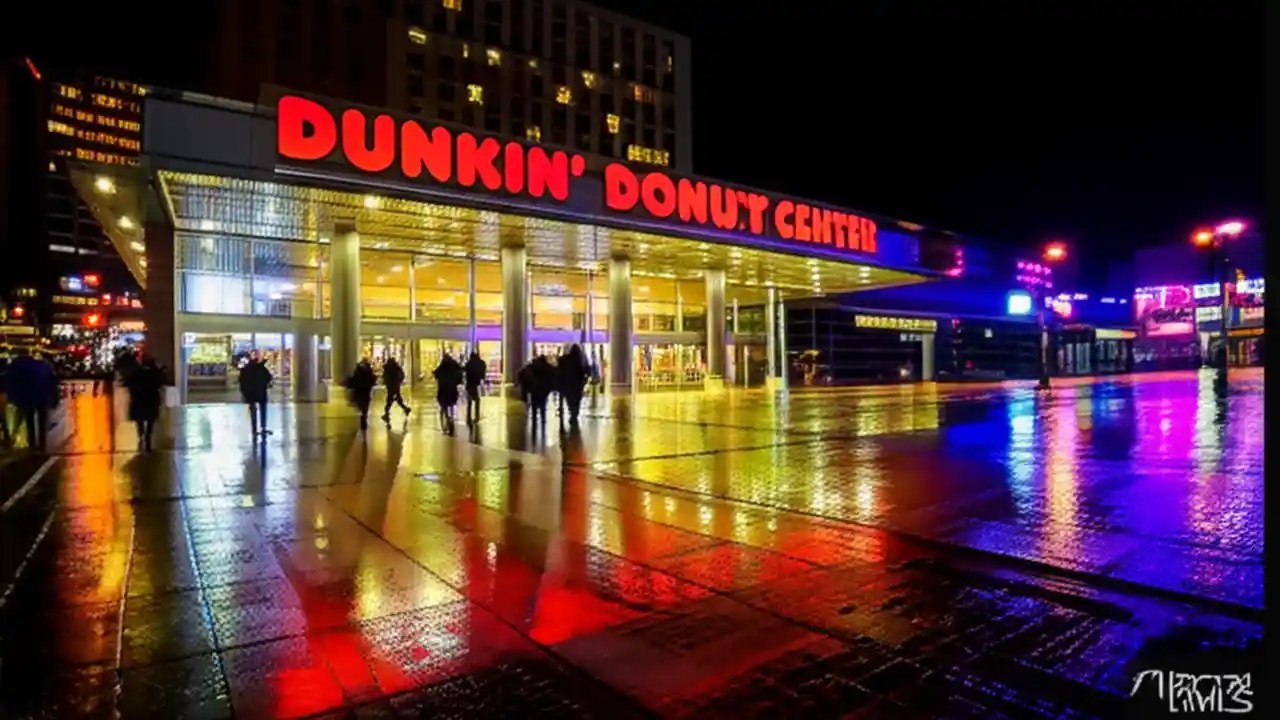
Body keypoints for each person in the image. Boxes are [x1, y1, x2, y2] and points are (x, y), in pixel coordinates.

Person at [6, 348, 58, 451]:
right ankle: (42, 444)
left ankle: (32, 443)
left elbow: (12, 381)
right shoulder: (42, 365)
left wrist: (13, 397)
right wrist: (53, 397)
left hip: (27, 396)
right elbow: (51, 382)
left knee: (29, 420)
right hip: (41, 395)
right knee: (41, 420)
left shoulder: (17, 366)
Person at [125, 356, 165, 451]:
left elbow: (130, 383)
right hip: (151, 399)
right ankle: (148, 437)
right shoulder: (154, 372)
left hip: (138, 400)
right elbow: (160, 383)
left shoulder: (136, 372)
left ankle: (141, 435)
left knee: (140, 420)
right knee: (150, 420)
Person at [237, 352, 273, 440]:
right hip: (261, 392)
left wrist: (243, 392)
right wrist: (266, 385)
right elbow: (269, 378)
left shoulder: (245, 370)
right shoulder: (261, 368)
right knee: (263, 409)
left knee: (253, 410)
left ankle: (254, 429)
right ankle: (263, 427)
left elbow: (241, 381)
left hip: (250, 394)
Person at [558, 344, 589, 425]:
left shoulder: (566, 360)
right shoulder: (580, 361)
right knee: (576, 401)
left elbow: (560, 366)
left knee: (570, 400)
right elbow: (585, 372)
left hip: (568, 384)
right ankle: (574, 414)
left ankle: (572, 413)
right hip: (577, 386)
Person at [432, 352, 463, 431]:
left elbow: (436, 373)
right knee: (452, 403)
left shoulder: (442, 366)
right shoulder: (454, 364)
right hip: (452, 389)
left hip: (443, 389)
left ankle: (446, 417)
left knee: (443, 405)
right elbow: (460, 371)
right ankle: (451, 417)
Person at [345, 359, 377, 430]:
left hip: (359, 394)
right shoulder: (368, 374)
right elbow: (372, 381)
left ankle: (363, 419)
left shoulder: (358, 373)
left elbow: (351, 383)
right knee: (365, 409)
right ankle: (363, 420)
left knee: (362, 408)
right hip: (365, 394)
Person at [380, 355, 411, 422]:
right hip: (396, 386)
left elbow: (385, 377)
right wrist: (399, 381)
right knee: (397, 399)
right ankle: (406, 409)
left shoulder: (387, 368)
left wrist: (386, 382)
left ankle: (386, 415)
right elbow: (402, 375)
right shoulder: (397, 368)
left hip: (391, 387)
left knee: (390, 401)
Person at [463, 351, 487, 426]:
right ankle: (476, 416)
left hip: (470, 383)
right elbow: (483, 371)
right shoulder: (480, 363)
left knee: (470, 401)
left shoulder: (469, 363)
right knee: (477, 399)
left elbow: (464, 370)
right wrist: (482, 377)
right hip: (476, 383)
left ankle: (469, 416)